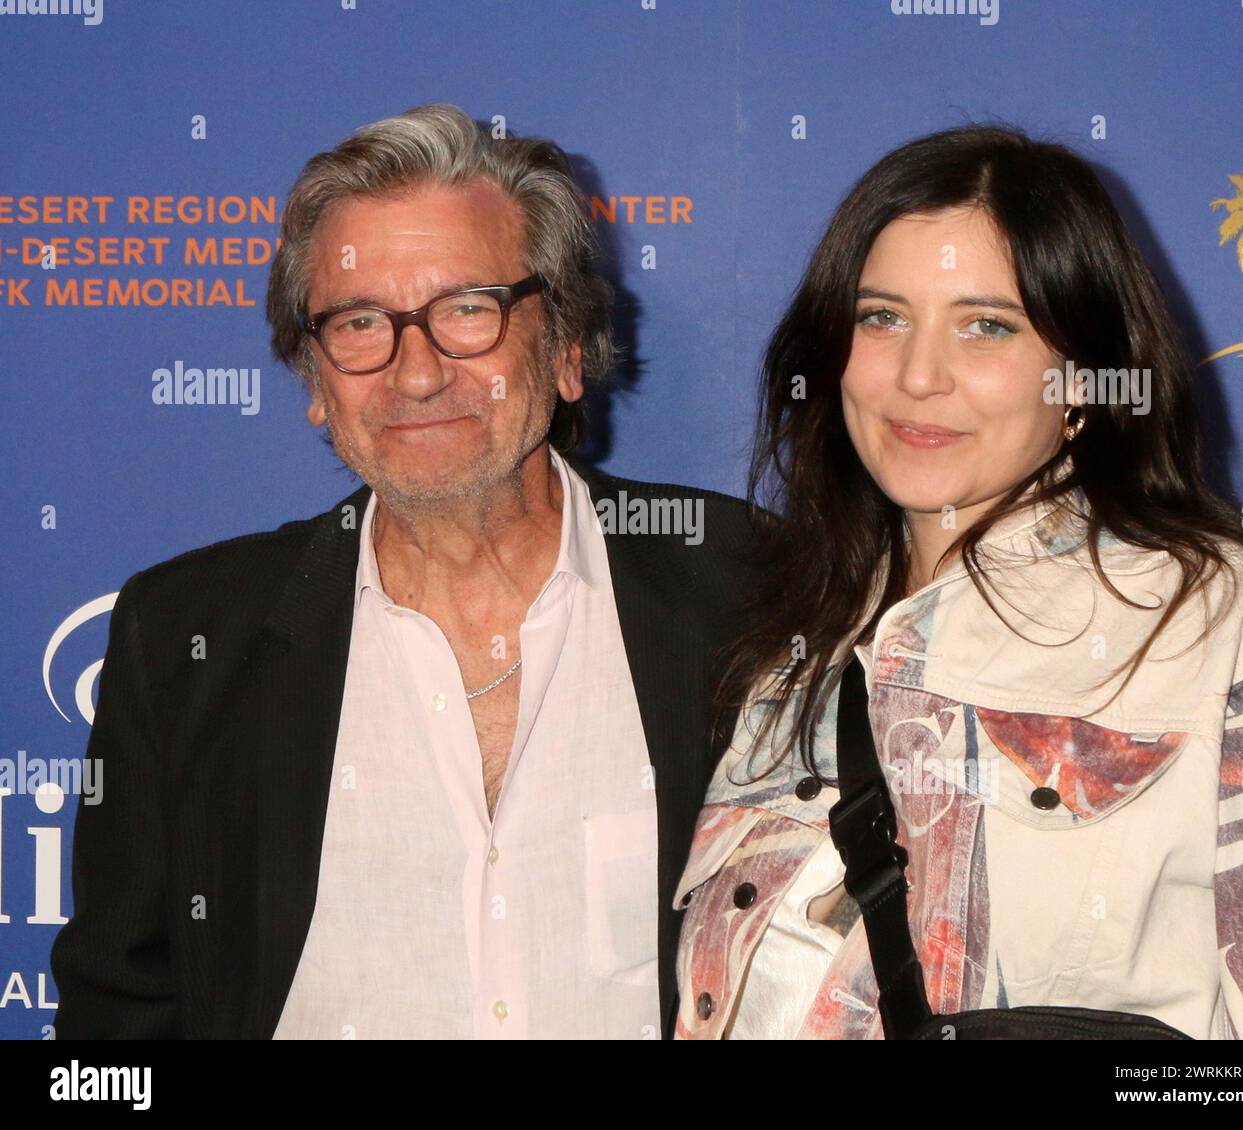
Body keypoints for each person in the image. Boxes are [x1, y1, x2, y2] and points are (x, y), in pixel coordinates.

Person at [50, 103, 757, 1040]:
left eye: (469, 309)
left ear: (570, 347)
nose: (415, 374)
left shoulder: (751, 587)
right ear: (313, 380)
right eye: (359, 322)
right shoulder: (184, 637)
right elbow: (117, 1021)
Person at [673, 124, 1243, 1040]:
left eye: (987, 327)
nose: (919, 376)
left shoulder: (1233, 620)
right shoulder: (786, 628)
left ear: (1085, 375)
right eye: (882, 317)